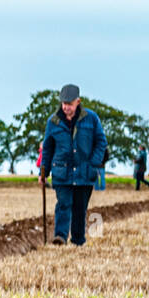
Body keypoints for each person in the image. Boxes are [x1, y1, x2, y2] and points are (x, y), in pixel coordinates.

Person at [39, 84, 106, 246]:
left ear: (78, 102)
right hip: (62, 172)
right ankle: (60, 237)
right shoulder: (53, 122)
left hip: (85, 172)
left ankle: (78, 240)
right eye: (63, 104)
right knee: (63, 204)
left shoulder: (91, 119)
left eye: (69, 104)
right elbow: (47, 149)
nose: (65, 107)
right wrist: (44, 172)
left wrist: (94, 163)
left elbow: (101, 142)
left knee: (79, 208)